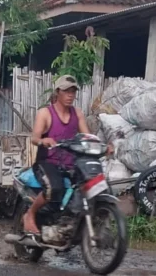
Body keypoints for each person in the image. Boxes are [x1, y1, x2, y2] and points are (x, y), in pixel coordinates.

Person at [23, 75, 101, 236]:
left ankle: (69, 223)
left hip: (71, 164)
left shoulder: (77, 113)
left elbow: (88, 137)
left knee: (91, 186)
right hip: (47, 163)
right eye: (66, 91)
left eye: (73, 91)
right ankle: (29, 215)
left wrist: (103, 147)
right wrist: (44, 140)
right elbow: (34, 138)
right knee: (54, 188)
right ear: (58, 92)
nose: (70, 95)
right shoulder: (45, 113)